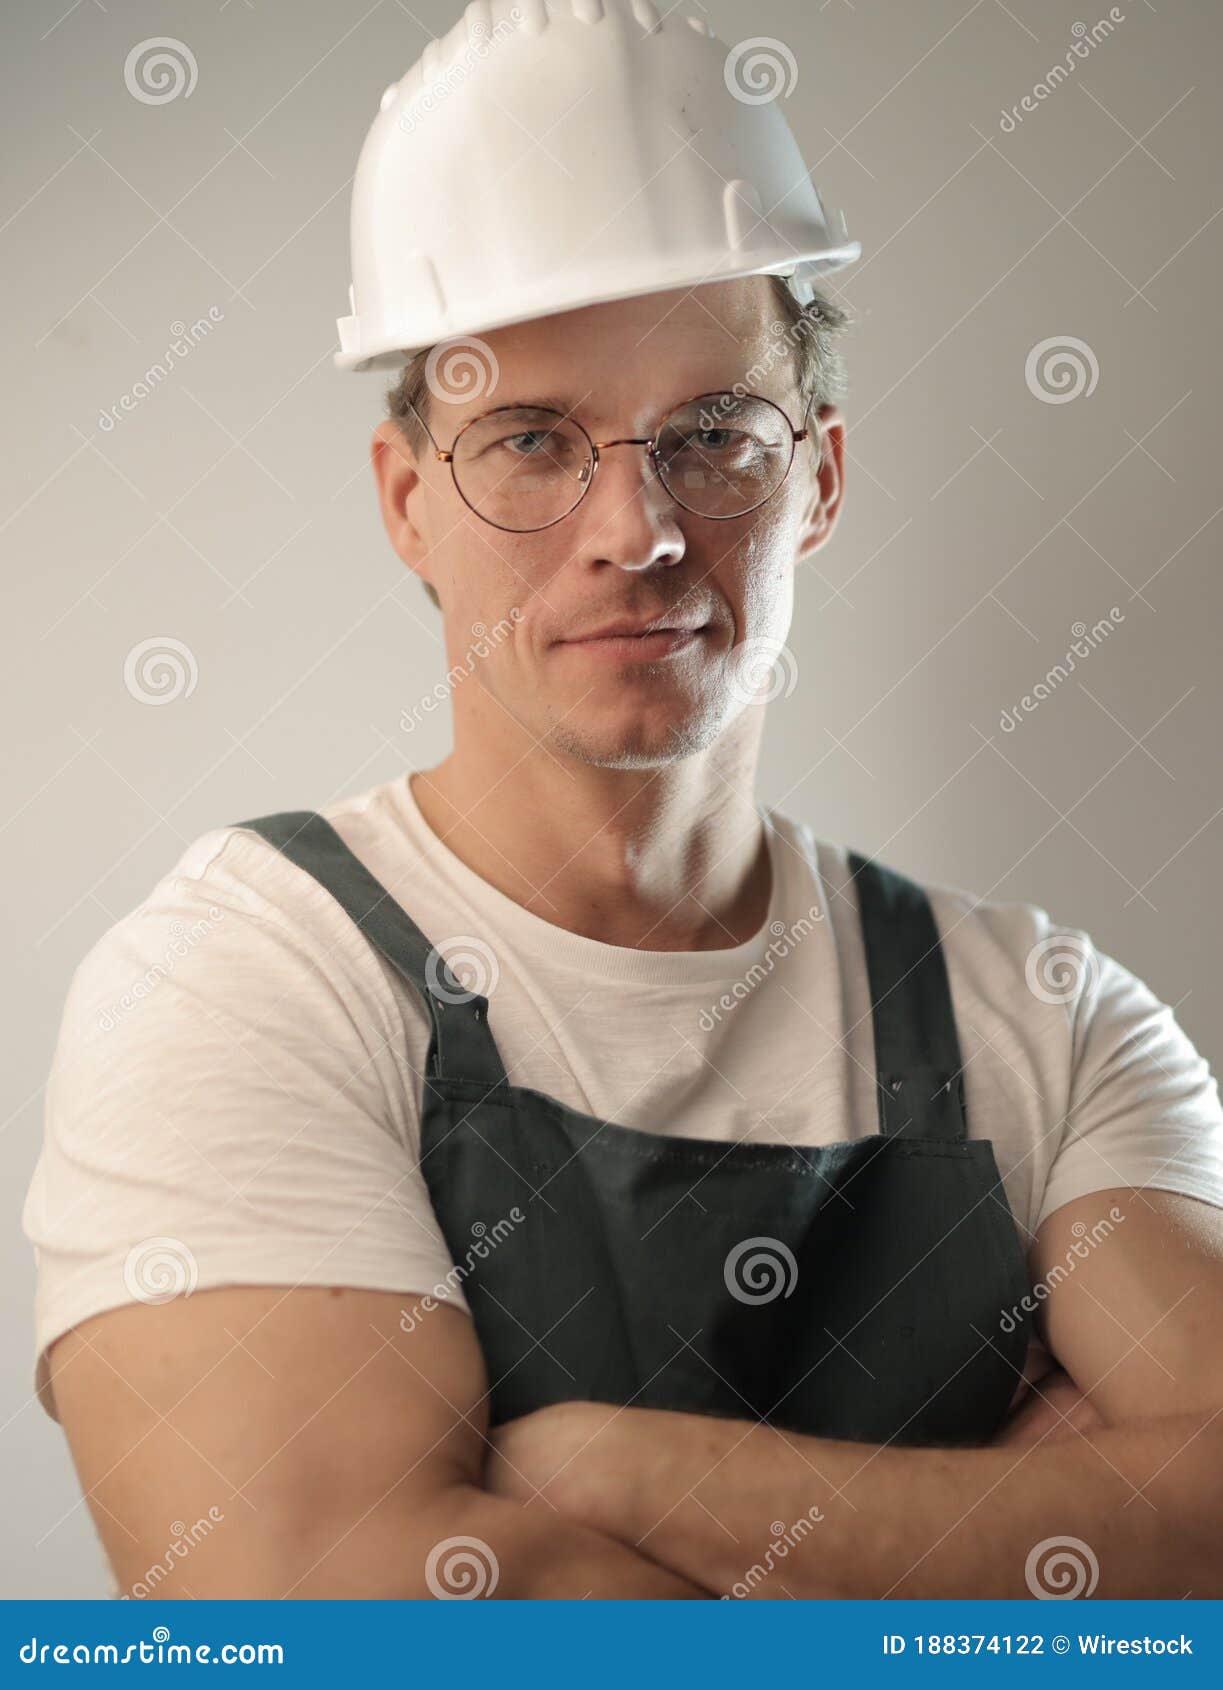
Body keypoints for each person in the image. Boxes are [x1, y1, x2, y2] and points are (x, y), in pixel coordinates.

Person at [23, 1, 1223, 1600]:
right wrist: (1027, 1519)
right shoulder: (245, 984)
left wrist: (622, 1472)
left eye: (714, 433)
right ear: (408, 503)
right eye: (532, 440)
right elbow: (329, 1615)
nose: (635, 530)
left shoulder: (1054, 1023)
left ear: (822, 476)